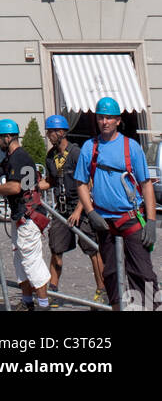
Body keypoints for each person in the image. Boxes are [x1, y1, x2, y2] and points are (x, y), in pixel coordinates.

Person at [74, 96, 159, 311]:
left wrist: (150, 221)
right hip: (104, 221)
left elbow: (146, 184)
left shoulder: (131, 147)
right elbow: (81, 183)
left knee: (143, 272)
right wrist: (91, 212)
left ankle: (150, 309)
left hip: (130, 218)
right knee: (110, 273)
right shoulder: (89, 148)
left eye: (109, 118)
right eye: (101, 117)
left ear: (118, 121)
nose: (105, 122)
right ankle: (117, 308)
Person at [0, 118, 51, 311]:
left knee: (31, 261)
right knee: (20, 261)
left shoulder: (20, 158)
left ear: (8, 137)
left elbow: (15, 186)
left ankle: (44, 305)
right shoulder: (11, 158)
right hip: (20, 216)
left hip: (29, 216)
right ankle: (27, 302)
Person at [38, 113, 105, 305]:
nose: (49, 135)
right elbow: (50, 181)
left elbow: (88, 183)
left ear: (61, 132)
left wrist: (78, 210)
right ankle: (54, 292)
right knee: (55, 249)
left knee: (92, 249)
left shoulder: (77, 154)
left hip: (82, 209)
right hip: (62, 210)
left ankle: (102, 291)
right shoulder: (51, 156)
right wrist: (33, 186)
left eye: (51, 132)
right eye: (48, 132)